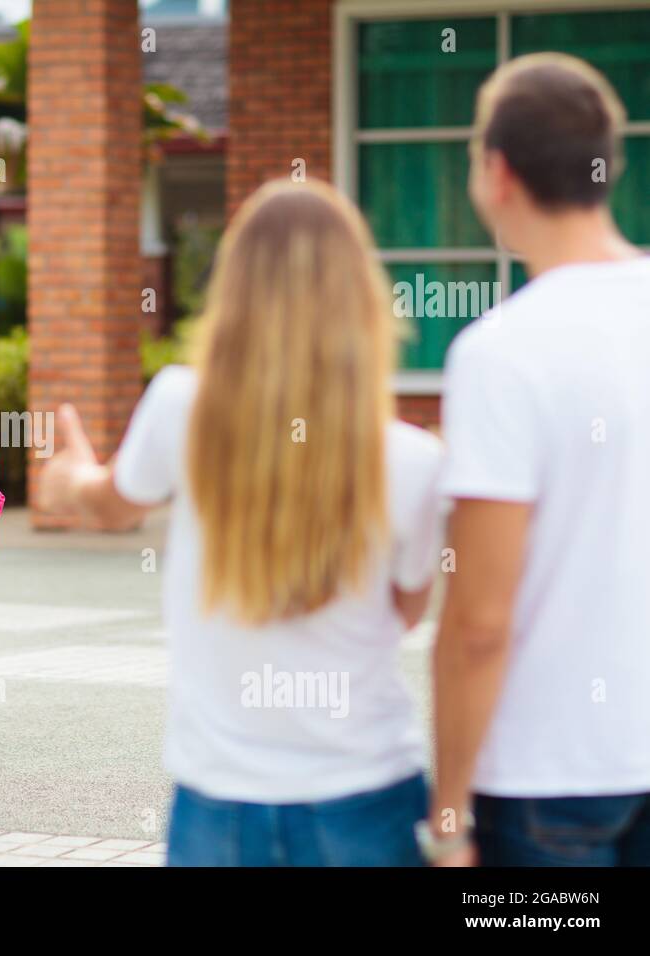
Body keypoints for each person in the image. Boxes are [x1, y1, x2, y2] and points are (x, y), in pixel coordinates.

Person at [40, 179, 444, 865]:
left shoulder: (180, 407)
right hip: (368, 797)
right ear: (364, 302)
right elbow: (406, 612)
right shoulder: (414, 460)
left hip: (218, 807)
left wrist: (66, 478)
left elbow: (111, 505)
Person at [429, 53, 650, 867]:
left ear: (496, 173)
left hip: (545, 783)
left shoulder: (500, 352)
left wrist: (447, 817)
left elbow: (479, 621)